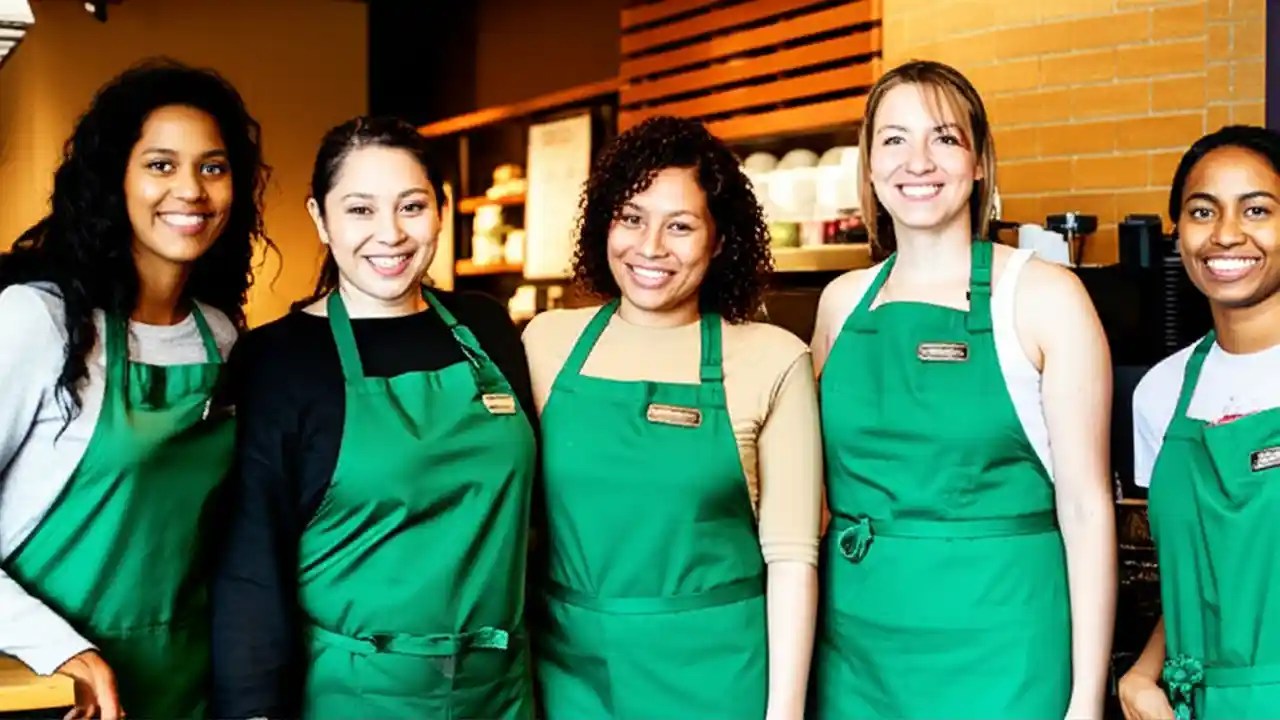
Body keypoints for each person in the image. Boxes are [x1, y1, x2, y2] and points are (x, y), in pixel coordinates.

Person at [807, 59, 1117, 719]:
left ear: (978, 163)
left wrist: (1087, 701)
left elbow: (1088, 512)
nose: (917, 161)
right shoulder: (839, 306)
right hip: (857, 650)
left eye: (944, 138)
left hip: (1004, 647)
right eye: (894, 139)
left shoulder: (1042, 297)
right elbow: (815, 503)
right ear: (868, 165)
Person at [210, 116, 538, 720]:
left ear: (441, 210)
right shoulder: (278, 359)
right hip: (355, 694)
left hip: (501, 691)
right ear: (320, 218)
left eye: (411, 206)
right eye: (360, 210)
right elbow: (252, 559)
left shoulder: (488, 327)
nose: (390, 234)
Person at [522, 115, 823, 720]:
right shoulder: (544, 344)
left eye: (680, 226)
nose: (650, 247)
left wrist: (784, 712)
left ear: (718, 241)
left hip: (716, 676)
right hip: (568, 674)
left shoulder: (771, 358)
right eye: (631, 218)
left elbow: (792, 559)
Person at [0, 59, 270, 720]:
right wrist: (55, 648)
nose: (191, 191)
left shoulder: (223, 338)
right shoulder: (36, 323)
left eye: (212, 167)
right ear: (112, 178)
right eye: (160, 165)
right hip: (59, 691)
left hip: (189, 685)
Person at [1119, 125, 1280, 720]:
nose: (1227, 234)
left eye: (1257, 209)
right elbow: (1202, 577)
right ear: (1178, 234)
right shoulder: (1159, 393)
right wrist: (1143, 671)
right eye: (1202, 211)